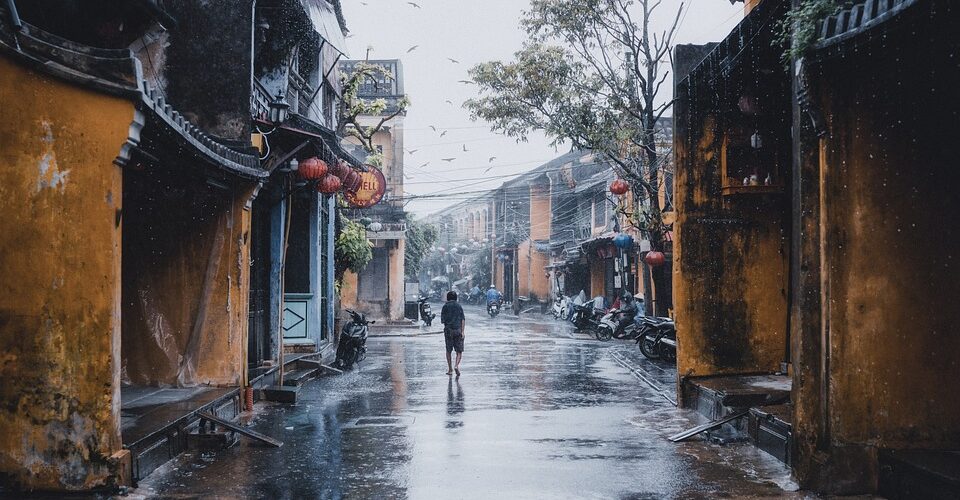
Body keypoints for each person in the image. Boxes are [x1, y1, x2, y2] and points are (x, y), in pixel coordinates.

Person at [440, 290, 466, 376]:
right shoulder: (459, 306)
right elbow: (462, 319)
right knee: (459, 350)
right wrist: (462, 331)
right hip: (458, 330)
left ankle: (450, 369)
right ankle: (456, 365)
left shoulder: (445, 307)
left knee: (448, 350)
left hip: (448, 330)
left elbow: (443, 320)